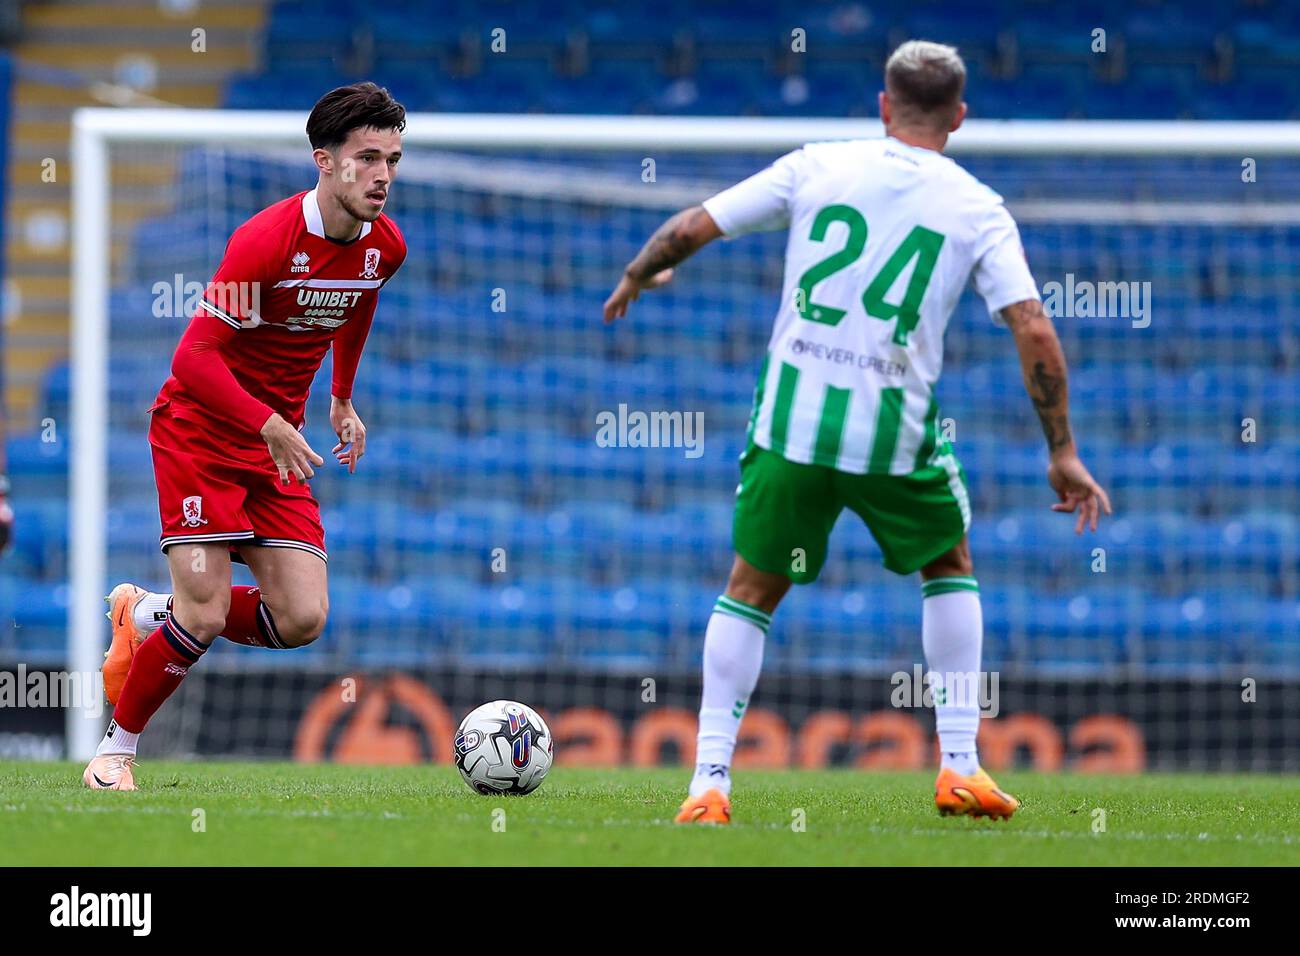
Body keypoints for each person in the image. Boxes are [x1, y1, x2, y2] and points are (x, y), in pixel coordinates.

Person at [604, 41, 1110, 823]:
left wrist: (640, 273)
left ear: (883, 105)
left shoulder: (815, 166)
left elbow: (693, 226)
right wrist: (1062, 449)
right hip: (893, 435)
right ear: (960, 117)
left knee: (750, 588)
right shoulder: (977, 207)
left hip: (792, 428)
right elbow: (1035, 331)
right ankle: (959, 766)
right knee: (949, 561)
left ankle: (708, 784)